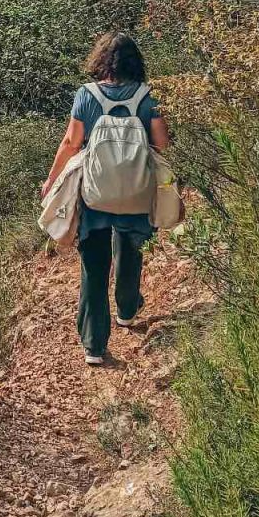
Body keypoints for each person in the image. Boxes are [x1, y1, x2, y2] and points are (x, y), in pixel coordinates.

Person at [42, 32, 170, 366]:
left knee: (93, 266)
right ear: (134, 61)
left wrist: (52, 179)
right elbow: (161, 143)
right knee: (131, 252)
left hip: (95, 195)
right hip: (136, 193)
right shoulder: (147, 96)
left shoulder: (86, 96)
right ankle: (126, 311)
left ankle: (94, 346)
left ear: (100, 60)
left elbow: (71, 143)